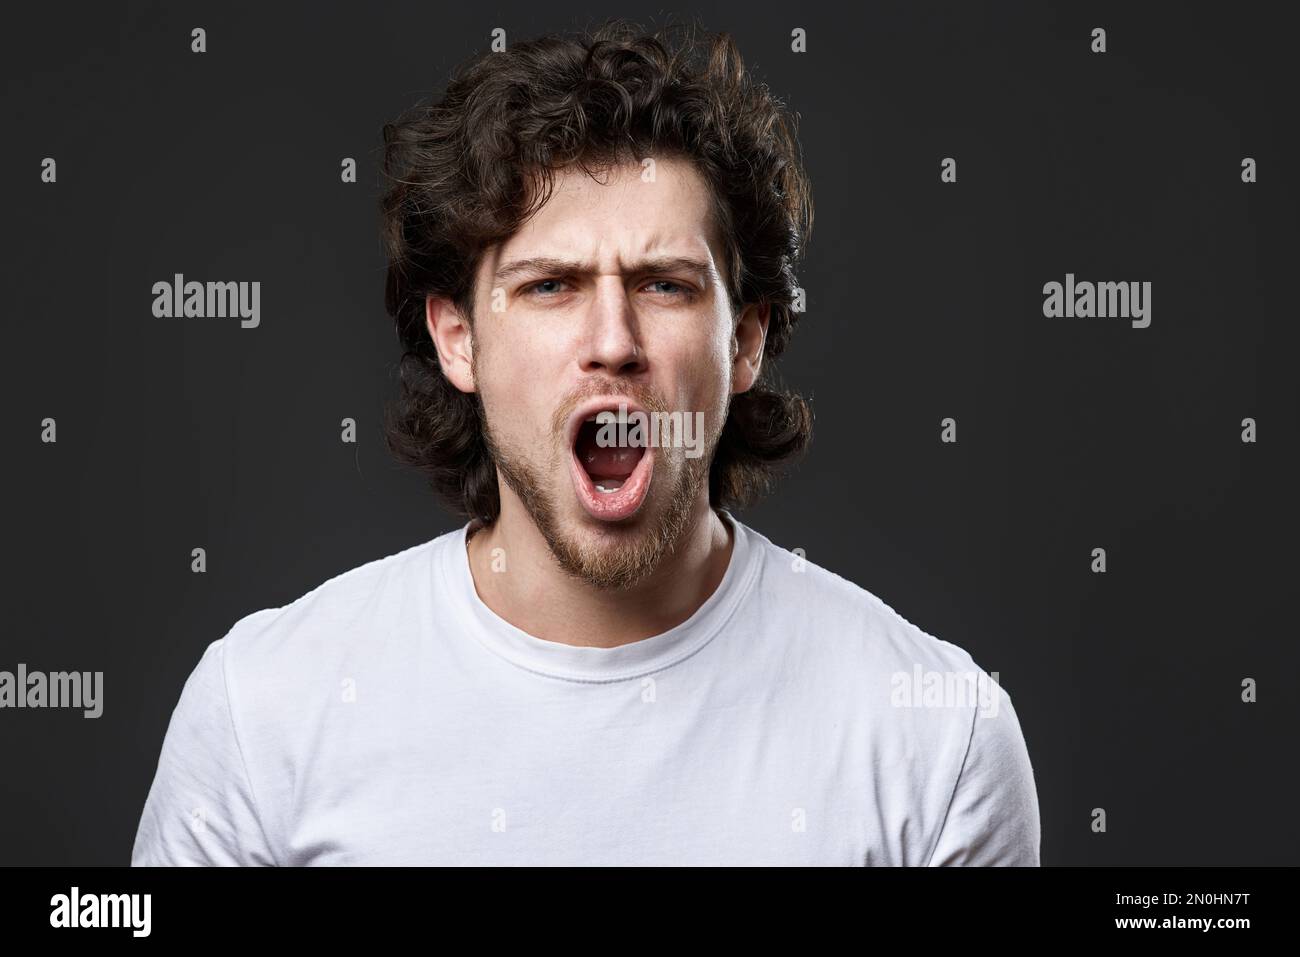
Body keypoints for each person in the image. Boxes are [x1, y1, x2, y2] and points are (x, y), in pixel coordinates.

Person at [131, 18, 1040, 866]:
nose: (613, 341)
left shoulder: (938, 741)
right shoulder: (263, 712)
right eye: (551, 285)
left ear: (747, 339)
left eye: (666, 285)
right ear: (458, 338)